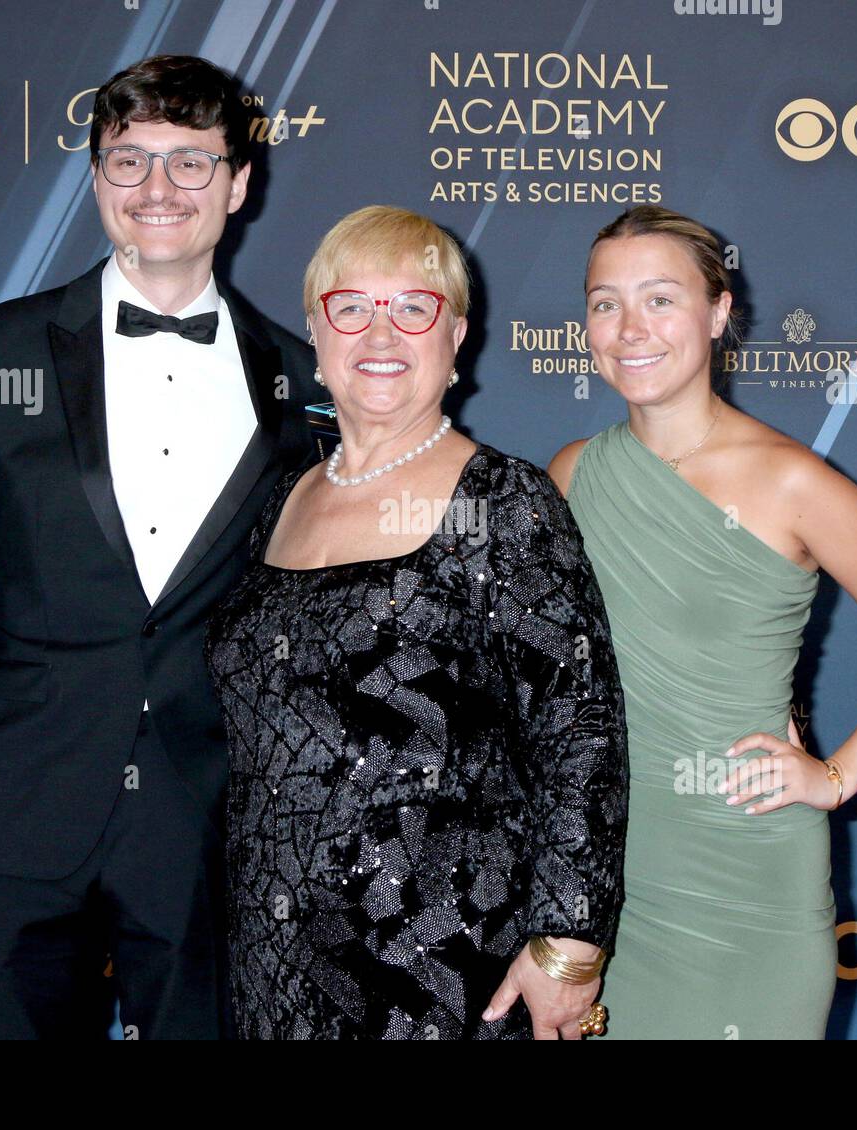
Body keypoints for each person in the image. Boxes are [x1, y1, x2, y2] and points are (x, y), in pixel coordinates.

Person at [0, 55, 317, 1038]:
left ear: (239, 183)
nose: (157, 189)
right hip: (10, 816)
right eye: (128, 161)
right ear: (93, 179)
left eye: (190, 162)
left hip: (206, 824)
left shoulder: (301, 382)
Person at [203, 205, 629, 1039]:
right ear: (317, 336)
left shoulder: (501, 502)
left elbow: (580, 730)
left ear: (456, 335)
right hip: (272, 952)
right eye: (351, 306)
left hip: (437, 961)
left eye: (414, 307)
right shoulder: (278, 500)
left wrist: (569, 948)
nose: (380, 333)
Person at [549, 204, 857, 1039]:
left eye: (661, 299)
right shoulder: (571, 473)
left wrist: (837, 776)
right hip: (601, 873)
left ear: (716, 313)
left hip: (743, 872)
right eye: (606, 302)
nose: (631, 327)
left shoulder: (790, 482)